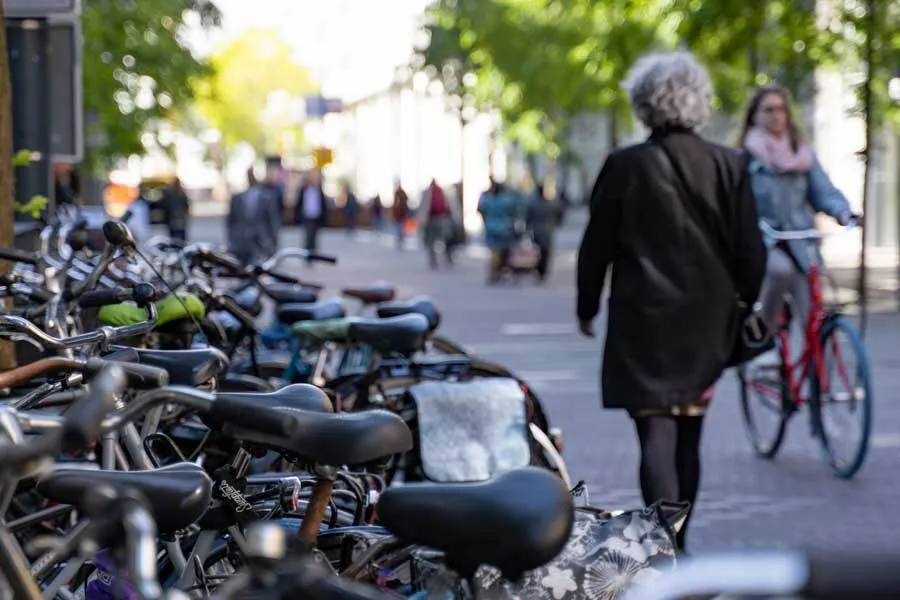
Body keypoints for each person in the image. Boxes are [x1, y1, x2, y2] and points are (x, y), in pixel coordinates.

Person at [575, 51, 767, 550]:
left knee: (654, 436)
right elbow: (751, 250)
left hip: (643, 320)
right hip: (706, 323)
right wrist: (745, 301)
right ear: (700, 101)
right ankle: (679, 541)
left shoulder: (623, 165)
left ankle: (665, 546)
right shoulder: (729, 165)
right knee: (690, 436)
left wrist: (587, 305)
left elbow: (597, 245)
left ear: (643, 104)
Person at [738, 85, 859, 341]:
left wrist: (844, 213)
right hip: (764, 241)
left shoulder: (802, 155)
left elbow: (824, 191)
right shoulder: (744, 158)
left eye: (781, 109)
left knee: (813, 320)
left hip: (801, 242)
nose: (776, 115)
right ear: (755, 116)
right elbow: (736, 202)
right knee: (780, 271)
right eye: (768, 110)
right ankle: (762, 345)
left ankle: (819, 373)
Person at [228, 167, 281, 266]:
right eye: (249, 174)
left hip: (261, 241)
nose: (251, 177)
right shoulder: (237, 198)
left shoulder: (267, 197)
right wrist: (232, 240)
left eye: (252, 174)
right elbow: (231, 222)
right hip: (241, 242)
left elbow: (273, 221)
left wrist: (273, 243)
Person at [477, 177, 517, 283]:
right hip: (504, 228)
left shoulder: (487, 199)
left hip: (491, 227)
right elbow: (513, 212)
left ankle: (495, 272)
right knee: (501, 252)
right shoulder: (506, 200)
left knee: (494, 252)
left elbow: (480, 210)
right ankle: (496, 272)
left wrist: (486, 220)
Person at [526, 180, 559, 282]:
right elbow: (558, 213)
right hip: (547, 230)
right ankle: (542, 270)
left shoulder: (533, 204)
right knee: (545, 252)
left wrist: (527, 228)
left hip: (537, 230)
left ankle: (539, 269)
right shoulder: (550, 204)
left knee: (538, 251)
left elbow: (528, 218)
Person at [419, 177, 455, 268]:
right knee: (442, 238)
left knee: (436, 239)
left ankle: (435, 259)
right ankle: (443, 258)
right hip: (438, 218)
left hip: (435, 218)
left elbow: (422, 207)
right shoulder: (442, 191)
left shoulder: (429, 192)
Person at [294, 170, 328, 261]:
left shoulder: (319, 190)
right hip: (306, 216)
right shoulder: (304, 190)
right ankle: (307, 254)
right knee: (308, 235)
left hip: (316, 216)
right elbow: (298, 203)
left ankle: (313, 254)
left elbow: (323, 204)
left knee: (314, 236)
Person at [161, 177, 190, 242]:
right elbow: (186, 205)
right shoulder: (182, 193)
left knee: (173, 237)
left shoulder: (169, 193)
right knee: (181, 237)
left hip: (172, 218)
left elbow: (166, 205)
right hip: (181, 218)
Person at [392, 180, 410, 250]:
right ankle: (400, 239)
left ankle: (400, 239)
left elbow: (395, 203)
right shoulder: (401, 193)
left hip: (400, 214)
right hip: (401, 214)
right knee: (400, 227)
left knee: (400, 228)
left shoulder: (398, 193)